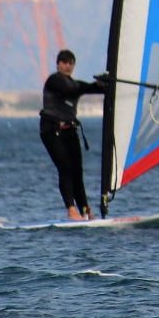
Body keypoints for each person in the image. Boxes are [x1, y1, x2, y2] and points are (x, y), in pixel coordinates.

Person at [39, 49, 107, 221]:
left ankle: (85, 210)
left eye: (71, 63)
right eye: (64, 62)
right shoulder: (54, 80)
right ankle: (71, 209)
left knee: (77, 171)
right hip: (51, 131)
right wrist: (93, 86)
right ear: (58, 64)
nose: (68, 66)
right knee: (65, 168)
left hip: (69, 130)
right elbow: (72, 89)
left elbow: (82, 88)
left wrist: (106, 85)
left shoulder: (74, 84)